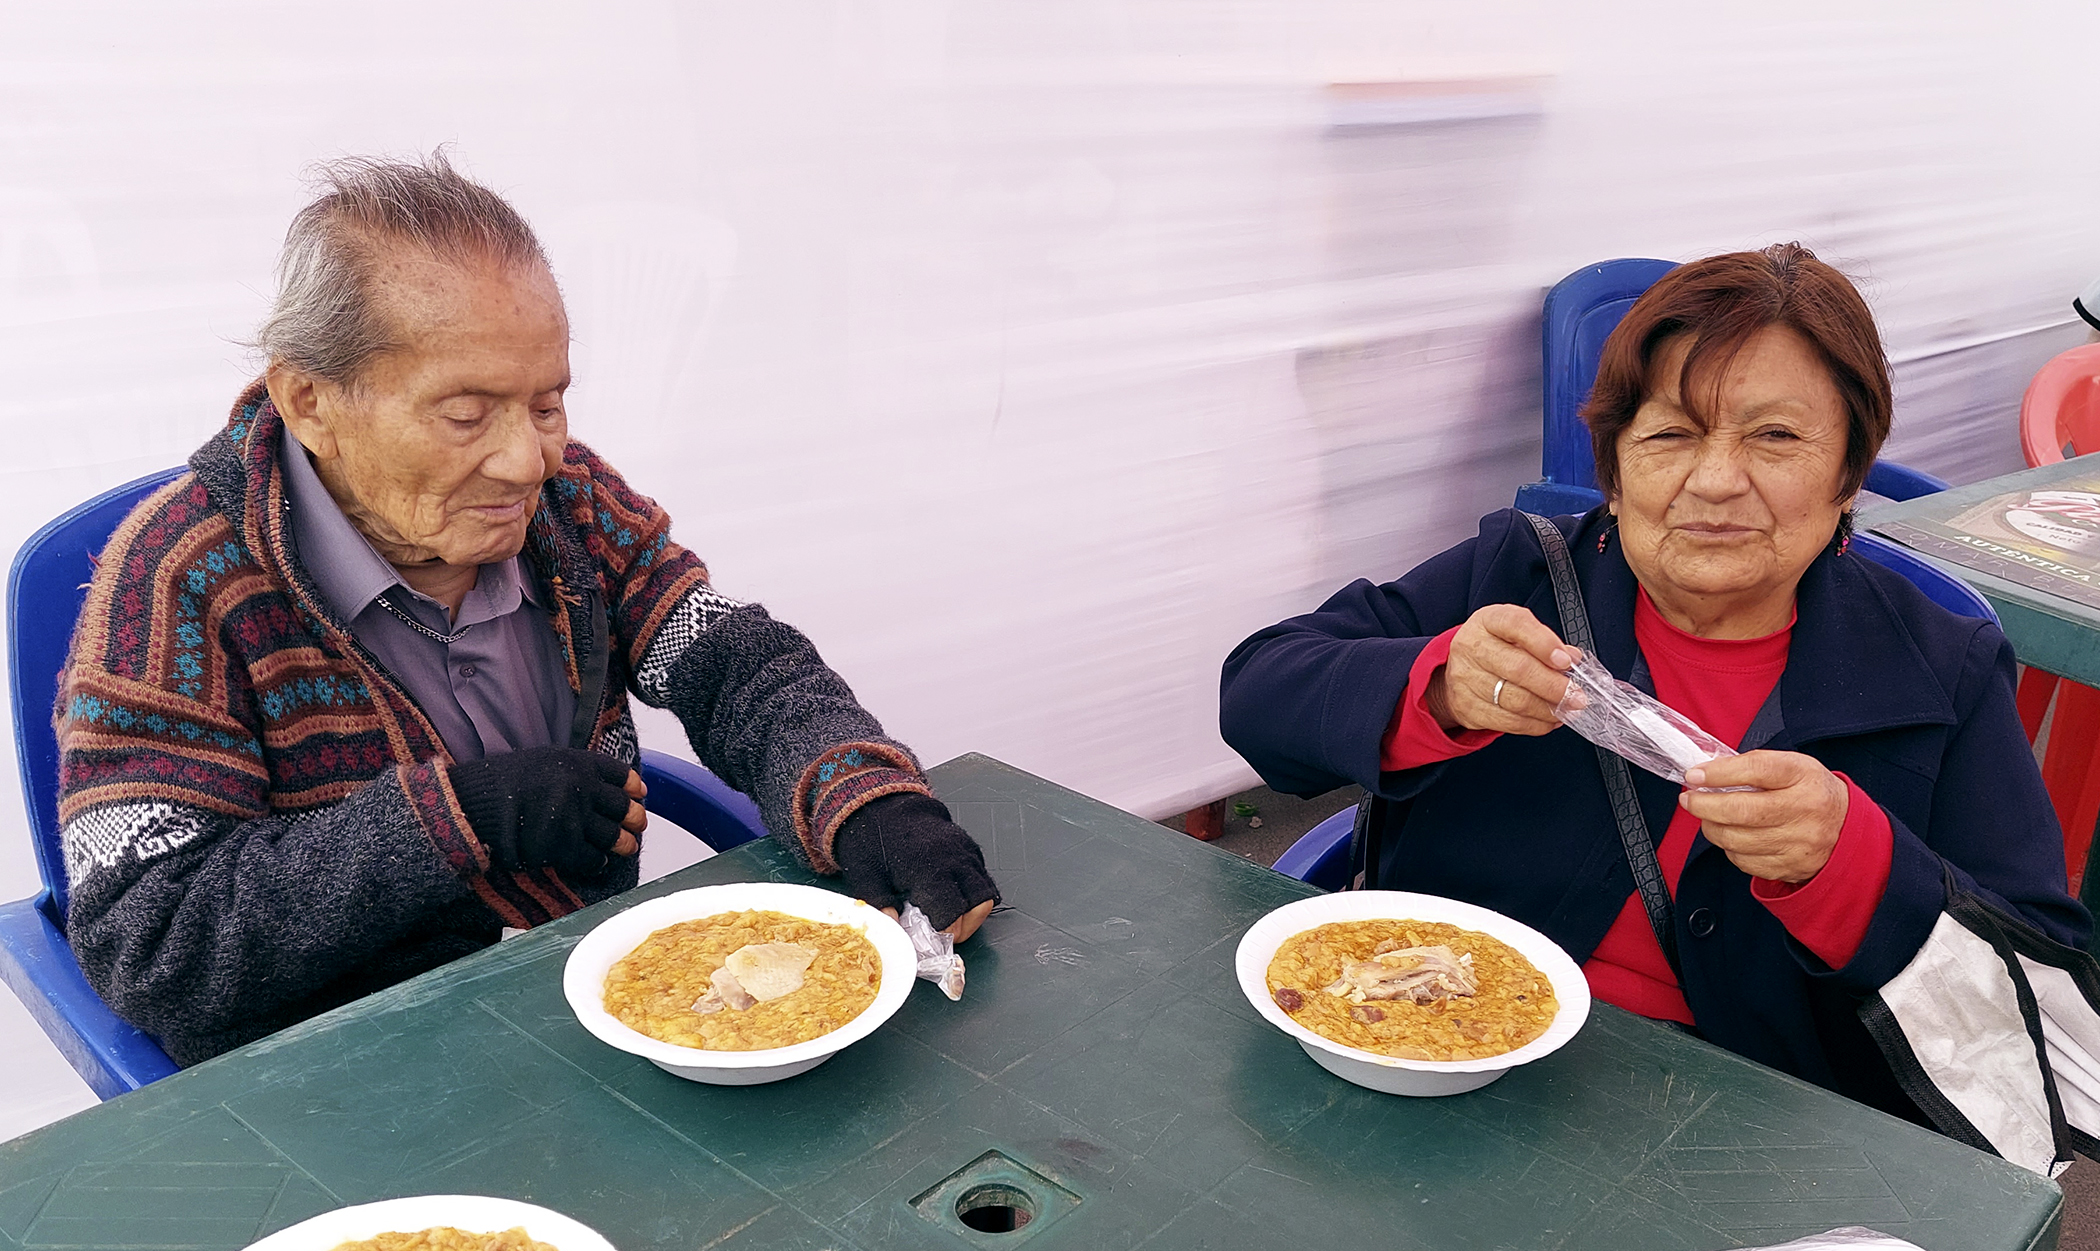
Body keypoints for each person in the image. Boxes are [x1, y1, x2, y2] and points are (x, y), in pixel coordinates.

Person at [57, 154, 997, 1065]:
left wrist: (864, 800)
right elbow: (156, 944)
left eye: (548, 404)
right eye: (468, 416)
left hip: (582, 1013)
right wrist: (458, 817)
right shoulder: (175, 579)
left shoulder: (568, 505)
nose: (527, 461)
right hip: (336, 1069)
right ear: (309, 399)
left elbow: (728, 661)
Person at [1221, 244, 2090, 1125]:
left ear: (1849, 475)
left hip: (1763, 1150)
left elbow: (2053, 1003)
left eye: (1776, 436)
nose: (1715, 481)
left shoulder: (1943, 668)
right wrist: (1434, 686)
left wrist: (1853, 863)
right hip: (1433, 1068)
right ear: (1616, 465)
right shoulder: (1517, 575)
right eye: (1671, 433)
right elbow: (1259, 692)